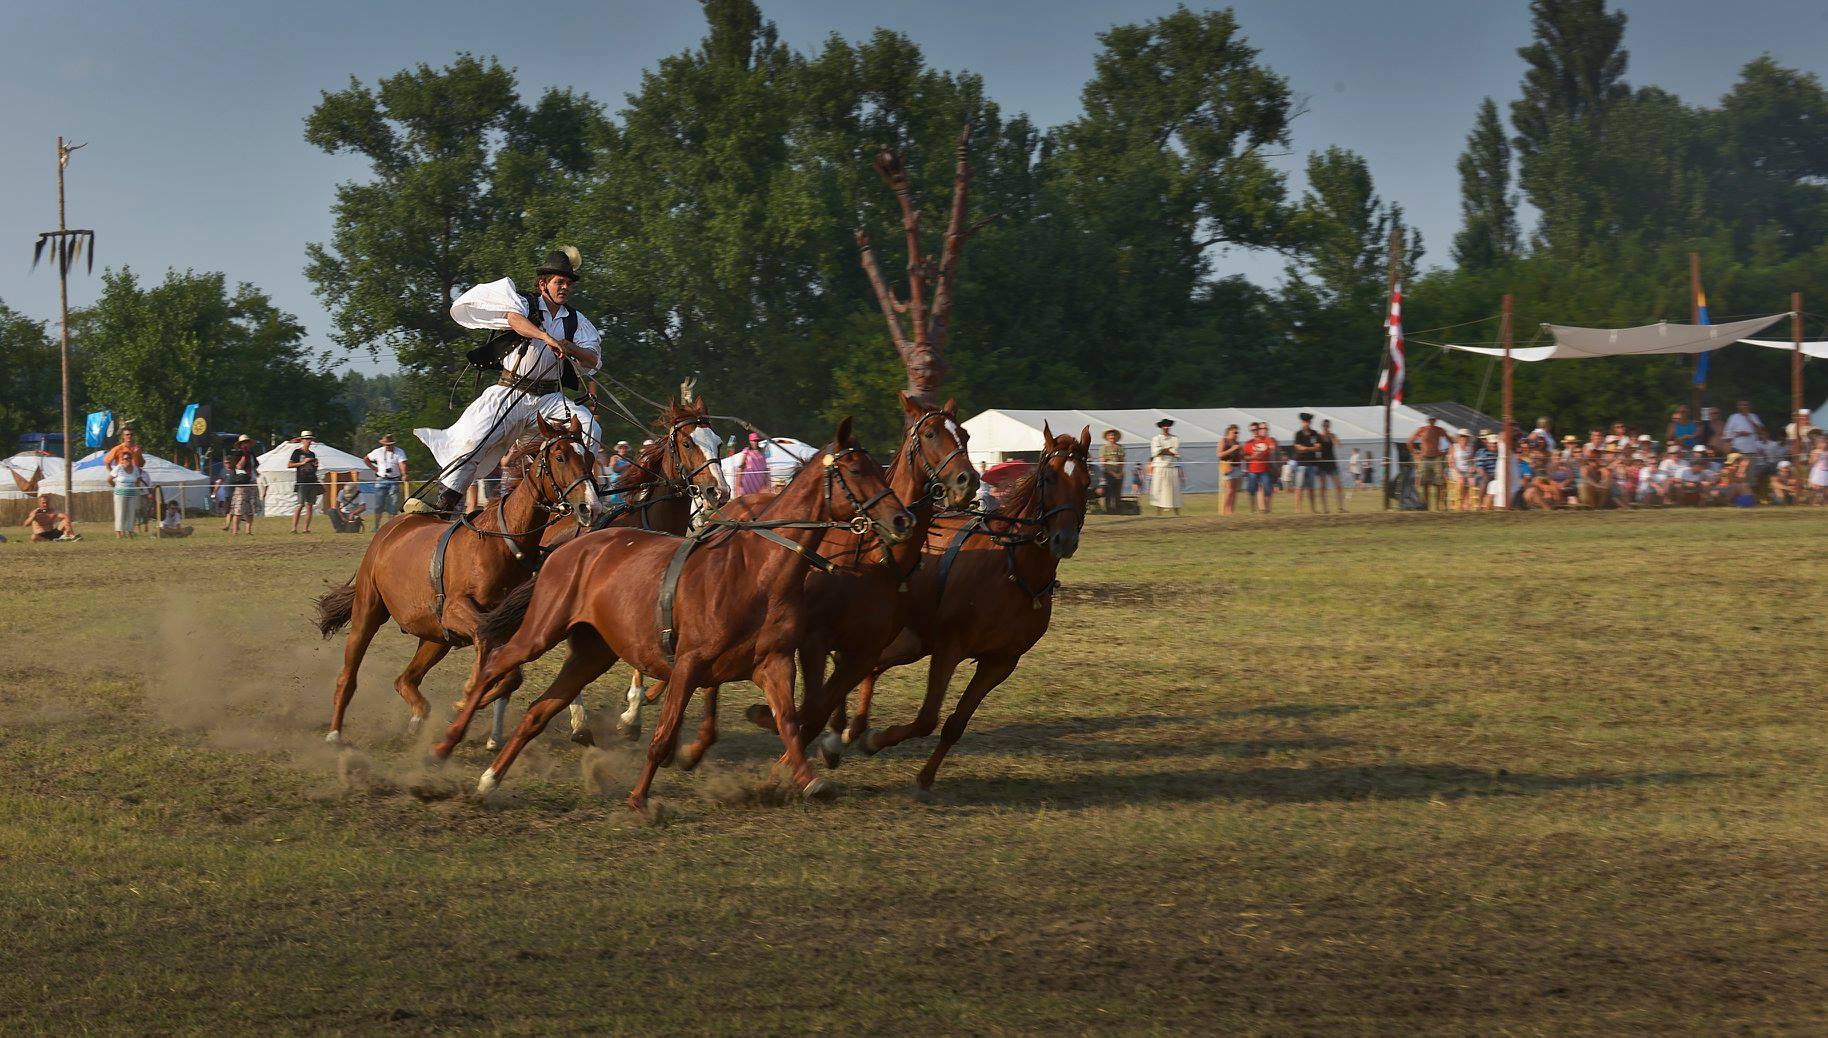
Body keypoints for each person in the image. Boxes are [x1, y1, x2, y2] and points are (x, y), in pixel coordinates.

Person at [414, 249, 603, 513]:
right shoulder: (524, 303)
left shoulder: (575, 320)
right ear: (542, 284)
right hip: (511, 391)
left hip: (549, 399)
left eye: (568, 283)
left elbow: (593, 359)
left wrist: (571, 347)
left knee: (590, 427)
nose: (565, 287)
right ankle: (443, 506)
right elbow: (514, 320)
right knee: (472, 442)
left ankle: (580, 491)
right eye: (559, 282)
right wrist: (545, 337)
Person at [1407, 417, 1450, 511]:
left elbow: (1450, 440)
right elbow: (1409, 442)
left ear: (1435, 420)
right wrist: (1415, 453)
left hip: (1436, 458)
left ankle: (1438, 506)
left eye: (1433, 419)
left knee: (1439, 483)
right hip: (1425, 458)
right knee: (1424, 483)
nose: (1432, 421)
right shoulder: (1422, 429)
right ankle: (1426, 506)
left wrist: (1445, 452)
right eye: (1430, 419)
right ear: (1428, 420)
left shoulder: (1439, 430)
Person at [365, 433, 408, 524]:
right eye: (386, 444)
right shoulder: (378, 451)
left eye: (390, 444)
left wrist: (404, 474)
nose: (388, 446)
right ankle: (376, 526)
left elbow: (402, 464)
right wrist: (374, 468)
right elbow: (366, 459)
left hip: (394, 480)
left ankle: (391, 526)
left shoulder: (399, 452)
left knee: (393, 504)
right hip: (381, 479)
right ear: (383, 444)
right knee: (378, 504)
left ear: (393, 444)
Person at [1290, 412, 1326, 515]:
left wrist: (1306, 448)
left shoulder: (1315, 434)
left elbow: (1318, 447)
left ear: (1310, 422)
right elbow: (1298, 448)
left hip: (1312, 464)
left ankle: (1313, 509)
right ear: (1302, 422)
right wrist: (1311, 448)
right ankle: (1298, 509)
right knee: (1299, 487)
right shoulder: (1298, 434)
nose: (1306, 423)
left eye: (1308, 421)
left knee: (1311, 488)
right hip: (1301, 464)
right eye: (1305, 421)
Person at [108, 453, 150, 538]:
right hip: (120, 494)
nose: (127, 460)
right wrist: (116, 487)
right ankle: (119, 532)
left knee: (131, 512)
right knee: (120, 512)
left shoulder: (135, 469)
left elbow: (138, 480)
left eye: (129, 458)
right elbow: (109, 480)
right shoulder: (118, 468)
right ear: (122, 460)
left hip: (132, 494)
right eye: (125, 458)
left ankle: (130, 531)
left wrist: (138, 489)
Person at [224, 434, 259, 536]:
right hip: (242, 483)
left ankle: (248, 530)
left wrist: (256, 473)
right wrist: (244, 457)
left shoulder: (252, 454)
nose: (246, 444)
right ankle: (235, 531)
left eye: (247, 442)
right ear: (240, 444)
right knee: (238, 508)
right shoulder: (238, 454)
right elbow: (238, 466)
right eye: (244, 443)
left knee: (250, 508)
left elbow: (255, 466)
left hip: (252, 482)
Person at [288, 431, 321, 534]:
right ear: (302, 440)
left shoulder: (312, 454)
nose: (308, 441)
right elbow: (289, 465)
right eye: (306, 439)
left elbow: (314, 469)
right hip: (301, 481)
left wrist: (316, 465)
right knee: (300, 505)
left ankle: (305, 529)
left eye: (310, 439)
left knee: (310, 506)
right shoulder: (297, 452)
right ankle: (294, 528)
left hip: (312, 481)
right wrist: (303, 462)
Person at [1149, 418, 1182, 516]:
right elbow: (1156, 452)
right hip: (1159, 467)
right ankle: (1158, 514)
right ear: (1161, 427)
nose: (1166, 427)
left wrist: (1164, 450)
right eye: (1164, 425)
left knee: (1174, 490)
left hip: (1171, 466)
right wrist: (1166, 451)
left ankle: (1177, 514)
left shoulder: (1175, 438)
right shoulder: (1156, 439)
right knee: (1158, 489)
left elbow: (1174, 452)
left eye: (1168, 425)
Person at [1242, 421, 1277, 513]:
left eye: (1255, 429)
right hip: (1252, 470)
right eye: (1252, 430)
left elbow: (1272, 448)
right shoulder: (1248, 443)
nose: (1254, 431)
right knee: (1252, 490)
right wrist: (1252, 457)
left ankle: (1267, 509)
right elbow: (1244, 457)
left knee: (1267, 489)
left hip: (1265, 470)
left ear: (1259, 429)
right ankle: (1253, 510)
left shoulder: (1267, 440)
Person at [1317, 419, 1346, 512]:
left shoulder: (1332, 435)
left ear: (1329, 426)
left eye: (1327, 426)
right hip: (1322, 464)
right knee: (1323, 487)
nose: (1326, 427)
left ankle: (1341, 507)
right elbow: (1316, 449)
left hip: (1332, 463)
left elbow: (1339, 445)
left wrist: (1333, 437)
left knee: (1338, 485)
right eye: (1325, 426)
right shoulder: (1319, 436)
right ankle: (1325, 509)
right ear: (1322, 426)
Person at [1216, 425, 1242, 516]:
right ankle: (1224, 511)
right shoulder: (1223, 441)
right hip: (1227, 467)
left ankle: (1230, 511)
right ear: (1229, 432)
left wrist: (1241, 452)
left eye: (1237, 432)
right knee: (1228, 490)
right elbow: (1219, 454)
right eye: (1235, 432)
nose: (1236, 434)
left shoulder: (1236, 442)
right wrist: (1232, 449)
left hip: (1236, 467)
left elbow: (1240, 456)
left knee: (1234, 490)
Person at [1098, 430, 1126, 514]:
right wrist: (1113, 473)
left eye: (1113, 435)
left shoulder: (1120, 448)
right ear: (1107, 437)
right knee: (1109, 492)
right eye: (1110, 435)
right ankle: (1108, 510)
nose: (1112, 437)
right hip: (1108, 473)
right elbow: (1103, 463)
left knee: (1118, 492)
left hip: (1119, 473)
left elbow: (1122, 461)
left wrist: (1120, 473)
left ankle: (1117, 509)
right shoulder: (1103, 448)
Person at [736, 433, 770, 497]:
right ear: (750, 441)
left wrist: (767, 481)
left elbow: (765, 468)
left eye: (757, 440)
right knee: (747, 497)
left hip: (759, 480)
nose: (755, 442)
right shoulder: (747, 451)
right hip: (748, 479)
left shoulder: (762, 452)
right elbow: (741, 466)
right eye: (754, 441)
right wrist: (739, 480)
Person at [1447, 431, 1474, 512]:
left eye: (1465, 436)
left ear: (1468, 438)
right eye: (1462, 436)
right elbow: (1451, 463)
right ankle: (1461, 502)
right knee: (1461, 480)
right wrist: (1458, 472)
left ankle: (1466, 503)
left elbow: (1471, 461)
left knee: (1472, 482)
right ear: (1459, 437)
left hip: (1466, 470)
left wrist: (1471, 468)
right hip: (1455, 469)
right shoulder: (1454, 446)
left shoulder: (1470, 447)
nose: (1463, 437)